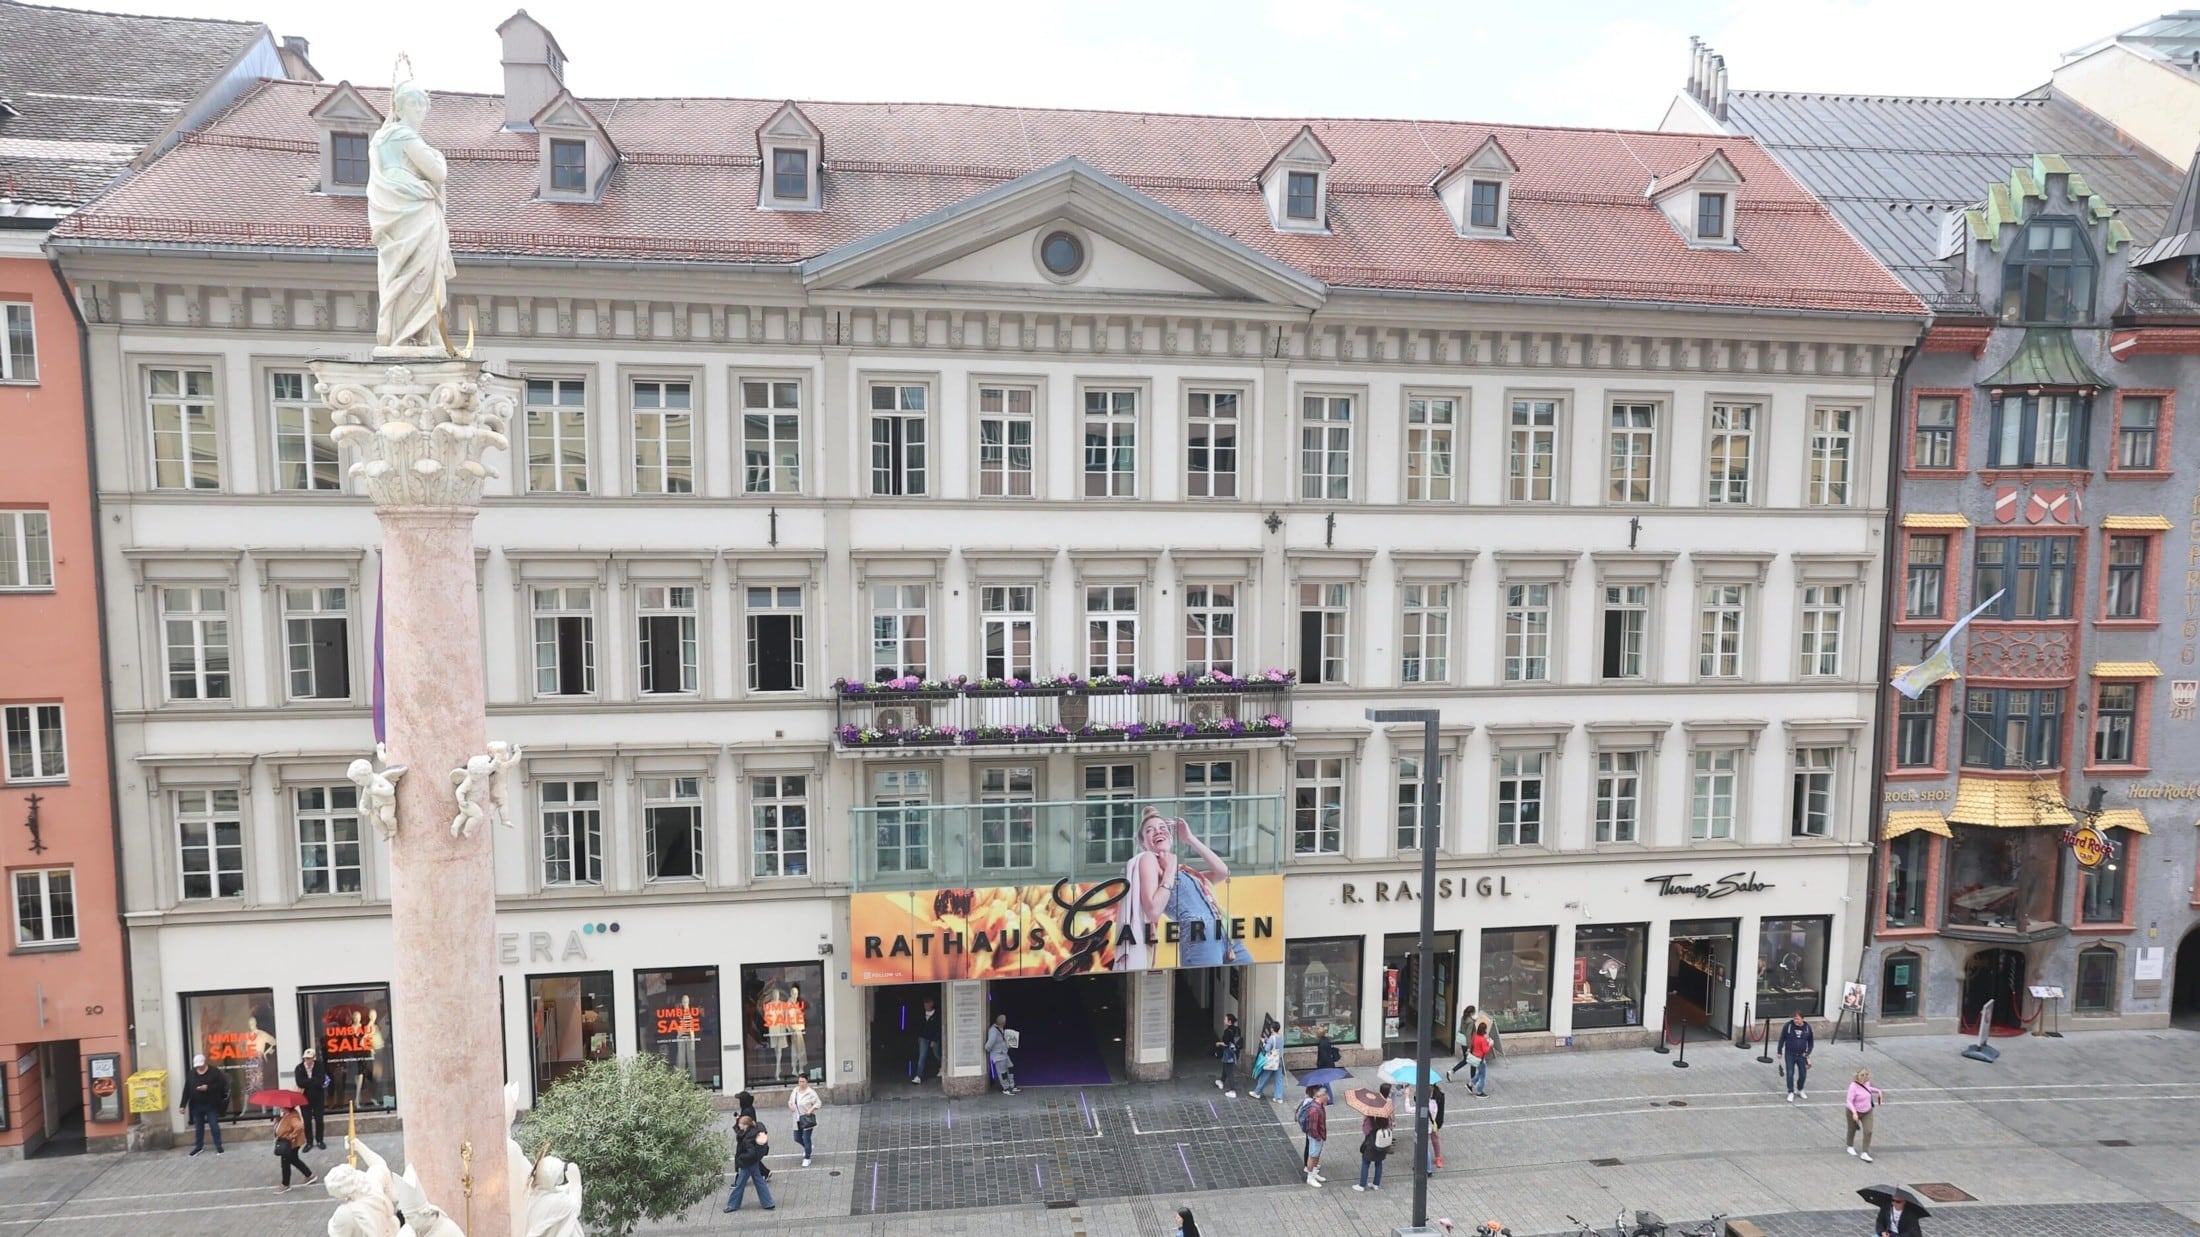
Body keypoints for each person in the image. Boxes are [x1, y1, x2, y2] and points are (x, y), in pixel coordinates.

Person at [367, 68, 456, 350]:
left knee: (402, 270)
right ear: (399, 107)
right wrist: (438, 157)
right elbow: (437, 173)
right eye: (413, 104)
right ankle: (413, 334)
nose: (419, 110)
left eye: (422, 105)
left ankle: (405, 332)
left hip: (394, 208)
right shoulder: (405, 137)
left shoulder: (379, 139)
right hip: (415, 208)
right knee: (420, 272)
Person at [1116, 808, 1254, 970]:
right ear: (1143, 844)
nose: (1157, 831)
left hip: (1226, 935)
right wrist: (1169, 869)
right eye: (1149, 830)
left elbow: (1223, 872)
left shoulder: (1184, 871)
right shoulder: (1149, 859)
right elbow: (1153, 910)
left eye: (1162, 827)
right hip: (1200, 935)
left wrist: (1190, 839)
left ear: (1170, 836)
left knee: (1250, 979)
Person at [722, 1113, 776, 1212]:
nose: (739, 1125)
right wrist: (737, 1120)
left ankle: (732, 1205)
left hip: (746, 1163)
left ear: (745, 1125)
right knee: (759, 1182)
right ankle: (768, 1203)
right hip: (754, 1162)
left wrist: (740, 1158)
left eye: (740, 1124)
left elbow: (750, 1152)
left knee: (739, 1185)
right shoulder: (751, 1131)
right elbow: (739, 1133)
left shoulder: (747, 1138)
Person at [179, 1054, 229, 1155]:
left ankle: (218, 1145)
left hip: (211, 1104)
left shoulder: (214, 1072)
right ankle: (198, 1147)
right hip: (196, 1105)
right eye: (197, 1066)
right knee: (198, 1127)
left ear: (205, 1062)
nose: (199, 1067)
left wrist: (208, 1087)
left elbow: (222, 1084)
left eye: (200, 1065)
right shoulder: (191, 1074)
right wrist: (182, 1105)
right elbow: (187, 1090)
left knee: (214, 1125)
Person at [1355, 1083, 1395, 1191]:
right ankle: (1376, 1184)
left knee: (1366, 1161)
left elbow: (1366, 1126)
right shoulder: (1387, 1108)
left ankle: (1362, 1185)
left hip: (1372, 1137)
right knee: (1379, 1161)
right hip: (1382, 1138)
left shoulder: (1371, 1110)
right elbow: (1391, 1123)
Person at [294, 1047, 333, 1151]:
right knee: (307, 1121)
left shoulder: (319, 1066)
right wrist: (313, 1081)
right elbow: (300, 1082)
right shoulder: (299, 1068)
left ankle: (320, 1140)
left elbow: (321, 1080)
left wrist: (308, 1082)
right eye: (306, 1058)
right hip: (304, 1098)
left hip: (318, 1098)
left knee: (319, 1119)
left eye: (309, 1058)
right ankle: (309, 1142)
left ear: (314, 1058)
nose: (307, 1060)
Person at [271, 1105, 314, 1193]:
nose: (280, 1107)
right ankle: (309, 1175)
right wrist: (278, 1121)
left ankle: (285, 1184)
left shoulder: (292, 1117)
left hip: (291, 1144)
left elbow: (299, 1126)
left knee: (285, 1162)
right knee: (294, 1159)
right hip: (290, 1143)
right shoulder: (287, 1115)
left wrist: (291, 1136)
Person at [1846, 1068, 1884, 1164]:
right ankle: (1850, 1146)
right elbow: (1849, 1101)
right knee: (1852, 1129)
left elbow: (1868, 1089)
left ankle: (1865, 1152)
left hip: (1867, 1111)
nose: (1865, 1077)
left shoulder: (1867, 1083)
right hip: (1854, 1111)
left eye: (1867, 1075)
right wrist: (1854, 1112)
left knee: (1868, 1131)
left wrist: (1878, 1091)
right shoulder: (1853, 1086)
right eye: (1863, 1075)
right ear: (1858, 1076)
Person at [1296, 1085, 1329, 1187]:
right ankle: (1310, 1177)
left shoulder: (1320, 1106)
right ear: (1321, 1095)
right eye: (1326, 1095)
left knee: (1316, 1156)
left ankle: (1314, 1173)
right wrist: (1318, 1138)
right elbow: (1312, 1128)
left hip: (1320, 1135)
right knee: (1312, 1156)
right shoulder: (1315, 1109)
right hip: (1316, 1136)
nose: (1328, 1096)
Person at [1779, 1011, 1815, 1101]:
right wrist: (1779, 1050)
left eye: (1798, 1019)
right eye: (1794, 1018)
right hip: (1790, 1053)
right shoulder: (1788, 1026)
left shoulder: (1807, 1028)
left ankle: (1800, 1089)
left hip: (1802, 1055)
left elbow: (1811, 1042)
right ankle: (1790, 1091)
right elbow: (1782, 1038)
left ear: (1802, 1019)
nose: (1796, 1020)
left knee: (1803, 1074)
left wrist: (1808, 1052)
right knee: (1790, 1073)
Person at [787, 1076, 821, 1167]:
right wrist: (790, 1106)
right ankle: (808, 1147)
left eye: (803, 1081)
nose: (801, 1083)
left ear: (807, 1082)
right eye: (800, 1081)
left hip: (806, 1119)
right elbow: (790, 1101)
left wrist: (811, 1109)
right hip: (797, 1118)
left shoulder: (811, 1093)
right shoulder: (795, 1090)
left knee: (806, 1138)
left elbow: (818, 1103)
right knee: (797, 1137)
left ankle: (807, 1157)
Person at [1251, 1022, 1288, 1102]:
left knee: (1264, 1077)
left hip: (1271, 1061)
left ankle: (1257, 1092)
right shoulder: (1280, 1036)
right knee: (1278, 1079)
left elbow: (1267, 1049)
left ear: (1272, 1029)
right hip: (1279, 1060)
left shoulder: (1272, 1038)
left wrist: (1264, 1042)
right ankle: (1278, 1097)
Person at [911, 997, 942, 1083]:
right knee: (922, 1056)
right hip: (924, 1038)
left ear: (932, 1003)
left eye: (928, 1003)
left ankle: (942, 1067)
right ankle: (918, 1076)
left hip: (934, 1038)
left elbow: (938, 1028)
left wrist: (934, 1040)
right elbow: (919, 1026)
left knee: (937, 1055)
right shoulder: (921, 1014)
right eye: (925, 1003)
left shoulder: (937, 1015)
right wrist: (919, 1037)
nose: (926, 1005)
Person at [986, 1013, 1018, 1094]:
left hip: (1004, 1053)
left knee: (1010, 1067)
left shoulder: (1000, 1029)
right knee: (1002, 1072)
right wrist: (988, 1050)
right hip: (999, 1055)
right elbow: (989, 1044)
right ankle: (1006, 1088)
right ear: (1003, 1022)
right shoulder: (994, 1031)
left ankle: (1012, 1085)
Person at [1214, 1012, 1242, 1097]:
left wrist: (1219, 1043)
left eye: (1225, 1019)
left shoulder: (1227, 1031)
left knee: (1229, 1070)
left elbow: (1226, 1043)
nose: (1224, 1020)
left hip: (1228, 1052)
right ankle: (1222, 1081)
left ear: (1229, 1021)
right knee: (1225, 1066)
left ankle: (1233, 1090)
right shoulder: (1237, 1029)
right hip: (1235, 1052)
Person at [1425, 1082, 1446, 1171]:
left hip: (1434, 1121)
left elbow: (1441, 1112)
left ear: (1433, 1087)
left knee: (1435, 1138)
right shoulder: (1422, 1092)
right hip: (1425, 1121)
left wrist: (1437, 1124)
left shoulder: (1439, 1096)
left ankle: (1438, 1157)